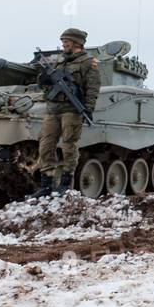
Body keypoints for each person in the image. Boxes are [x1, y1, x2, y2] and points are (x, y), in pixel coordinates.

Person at [30, 27, 101, 197]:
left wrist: (88, 108)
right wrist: (44, 79)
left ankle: (65, 183)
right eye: (63, 43)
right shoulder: (60, 62)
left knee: (69, 145)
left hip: (71, 110)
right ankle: (46, 183)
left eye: (66, 43)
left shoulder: (88, 63)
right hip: (53, 109)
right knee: (46, 145)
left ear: (77, 43)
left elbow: (92, 88)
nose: (63, 46)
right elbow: (46, 85)